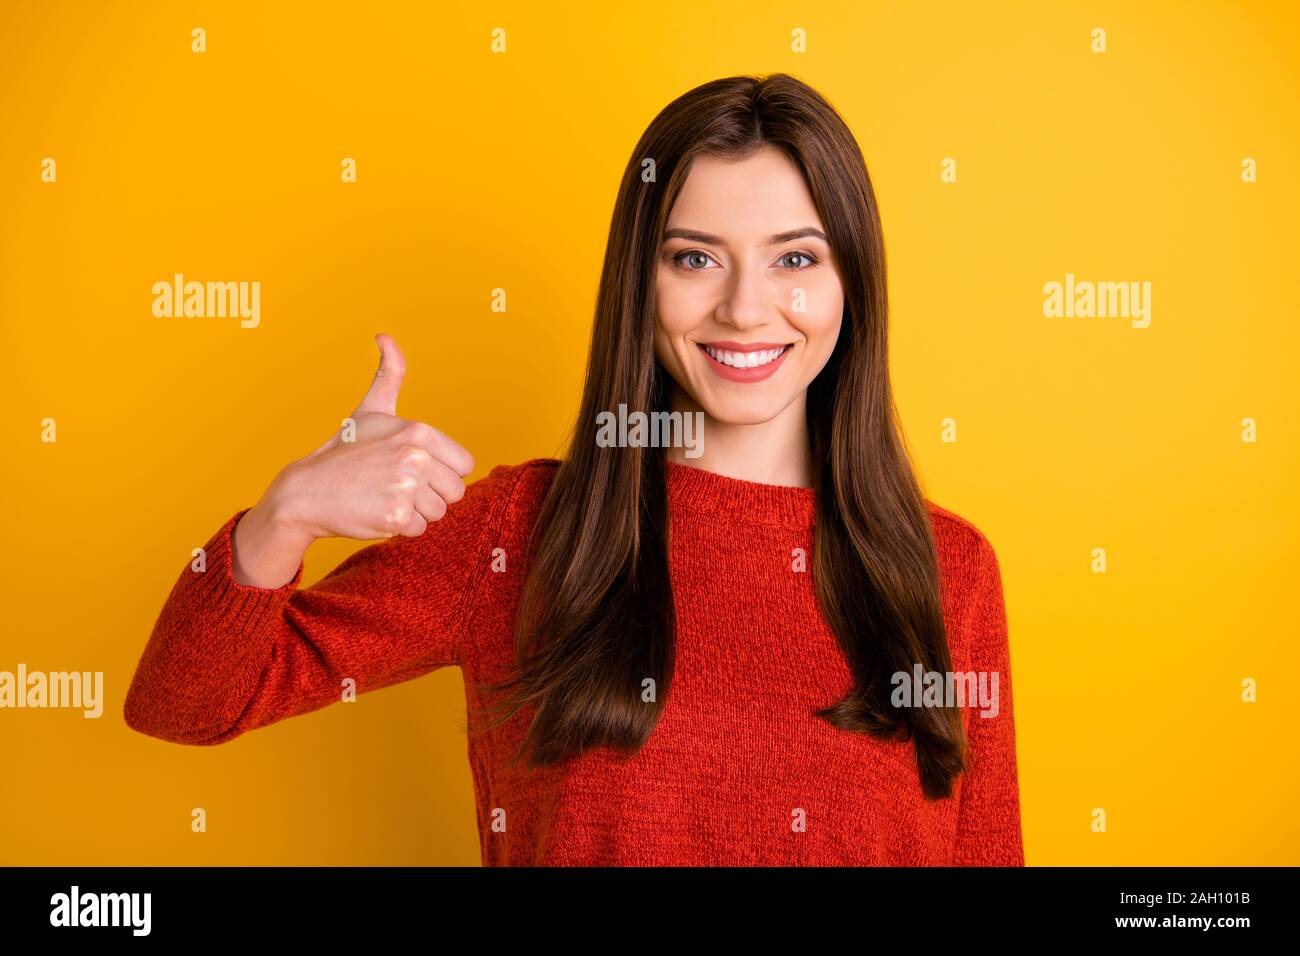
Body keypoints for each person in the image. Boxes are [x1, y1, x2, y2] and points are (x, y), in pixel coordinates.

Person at [124, 72, 1024, 866]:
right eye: (695, 257)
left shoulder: (953, 573)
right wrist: (286, 516)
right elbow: (184, 704)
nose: (747, 307)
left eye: (795, 257)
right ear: (643, 280)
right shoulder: (517, 532)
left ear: (850, 282)